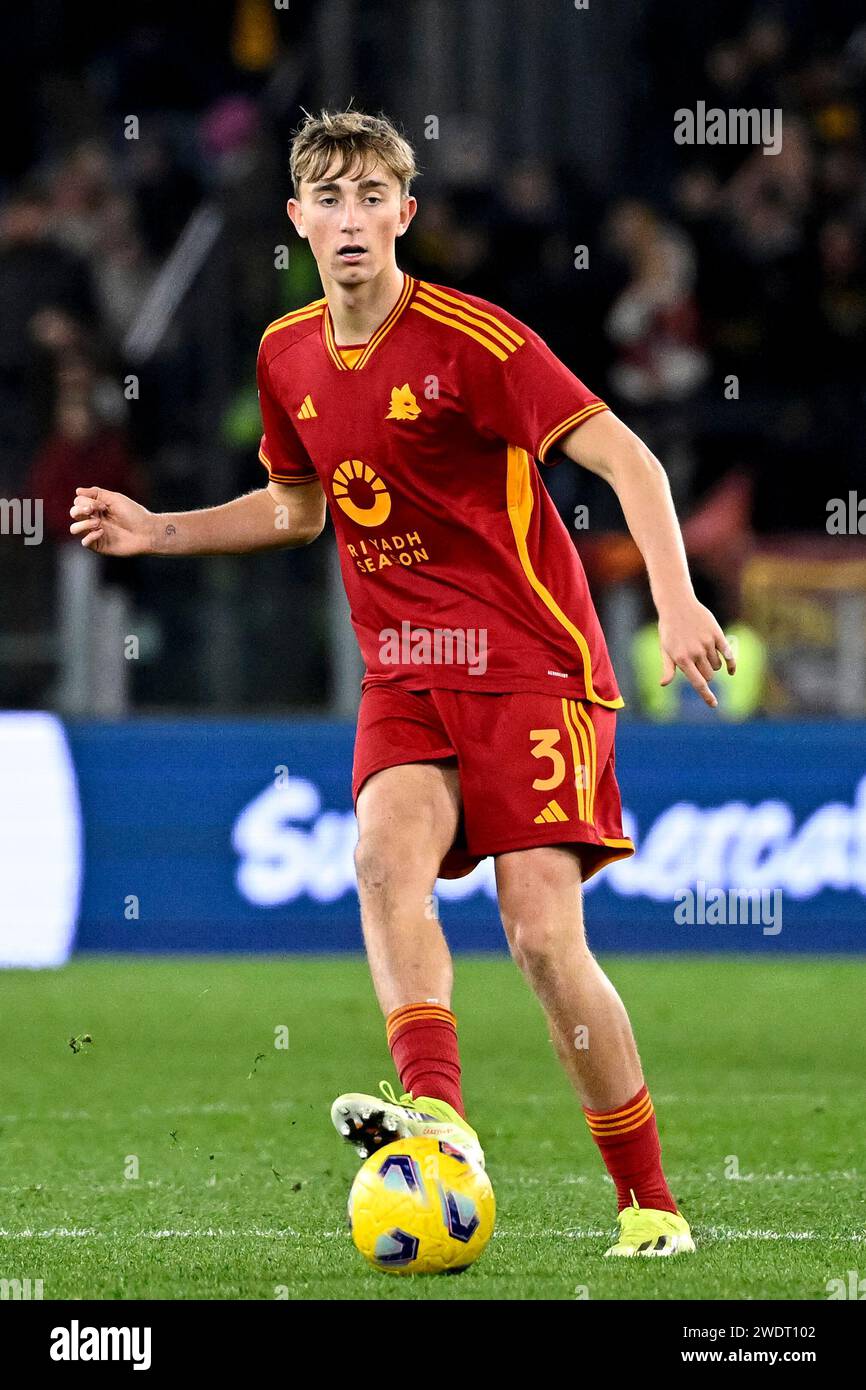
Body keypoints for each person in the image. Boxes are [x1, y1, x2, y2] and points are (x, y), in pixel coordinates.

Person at [69, 109, 736, 1258]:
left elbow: (621, 452)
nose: (350, 220)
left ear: (402, 216)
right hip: (406, 671)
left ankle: (648, 1202)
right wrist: (160, 531)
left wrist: (673, 603)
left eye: (373, 196)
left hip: (530, 662)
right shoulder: (284, 353)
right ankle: (435, 1113)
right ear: (297, 220)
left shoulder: (475, 341)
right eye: (327, 198)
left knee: (537, 936)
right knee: (381, 859)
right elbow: (295, 506)